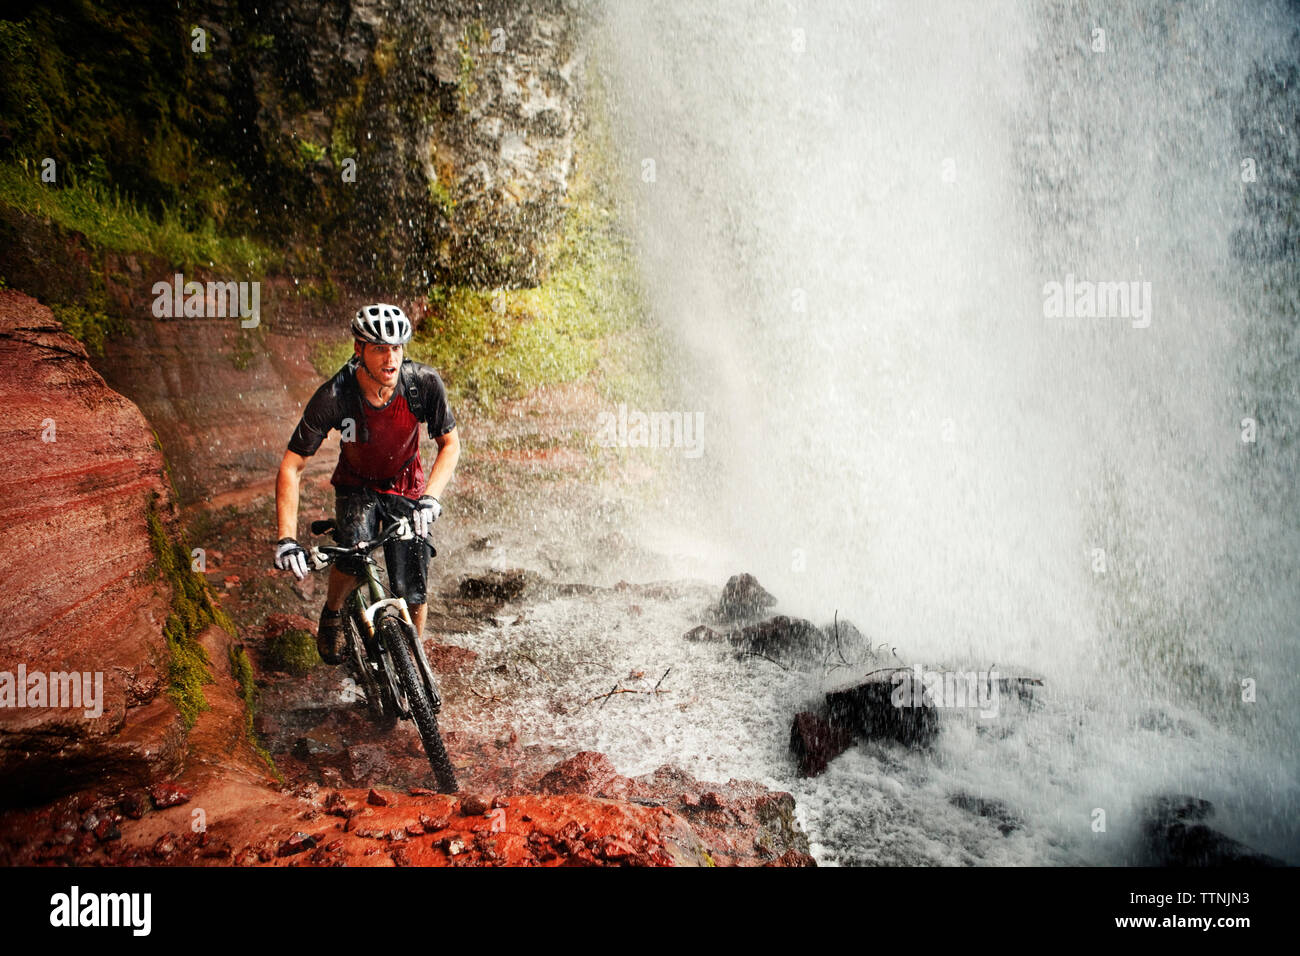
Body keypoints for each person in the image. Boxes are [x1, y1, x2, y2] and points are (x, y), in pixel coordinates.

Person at [272, 303, 460, 664]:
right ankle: (333, 611)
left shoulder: (422, 384)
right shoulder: (335, 396)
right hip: (356, 484)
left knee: (413, 584)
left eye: (396, 348)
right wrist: (286, 539)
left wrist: (431, 498)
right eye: (379, 349)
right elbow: (292, 466)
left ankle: (413, 660)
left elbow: (450, 445)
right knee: (353, 552)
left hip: (407, 484)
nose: (390, 359)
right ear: (359, 350)